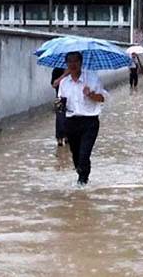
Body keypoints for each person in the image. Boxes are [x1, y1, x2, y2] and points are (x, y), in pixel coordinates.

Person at [58, 51, 108, 185]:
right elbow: (61, 102)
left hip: (89, 122)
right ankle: (81, 173)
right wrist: (58, 105)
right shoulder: (64, 83)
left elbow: (102, 98)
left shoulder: (92, 78)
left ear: (81, 62)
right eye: (70, 61)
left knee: (84, 153)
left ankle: (82, 181)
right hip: (71, 122)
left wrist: (91, 94)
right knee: (75, 154)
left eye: (75, 61)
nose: (73, 64)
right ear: (66, 63)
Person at [51, 67, 69, 146]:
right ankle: (59, 139)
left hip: (72, 99)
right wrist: (65, 74)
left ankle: (68, 138)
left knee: (70, 120)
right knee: (60, 120)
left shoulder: (77, 71)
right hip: (60, 99)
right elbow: (54, 85)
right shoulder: (57, 70)